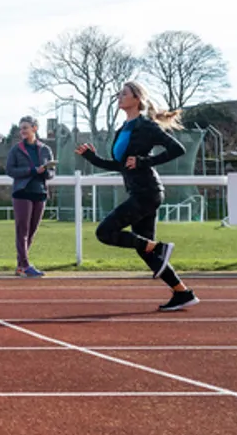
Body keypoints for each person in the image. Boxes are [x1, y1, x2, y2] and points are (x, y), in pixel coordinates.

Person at [75, 80, 198, 311]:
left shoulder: (147, 126)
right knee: (145, 249)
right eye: (119, 94)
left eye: (124, 94)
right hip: (139, 192)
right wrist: (92, 158)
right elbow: (121, 165)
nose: (119, 97)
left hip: (147, 192)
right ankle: (182, 292)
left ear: (137, 99)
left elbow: (177, 149)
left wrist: (145, 160)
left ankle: (159, 248)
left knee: (104, 232)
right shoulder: (123, 129)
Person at [5, 115, 55, 277]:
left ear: (35, 128)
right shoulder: (16, 149)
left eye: (25, 128)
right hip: (22, 192)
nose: (22, 131)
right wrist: (32, 171)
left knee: (32, 231)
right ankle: (25, 265)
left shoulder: (46, 149)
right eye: (21, 129)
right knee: (22, 230)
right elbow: (10, 170)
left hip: (40, 192)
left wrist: (46, 171)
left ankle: (21, 265)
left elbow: (51, 173)